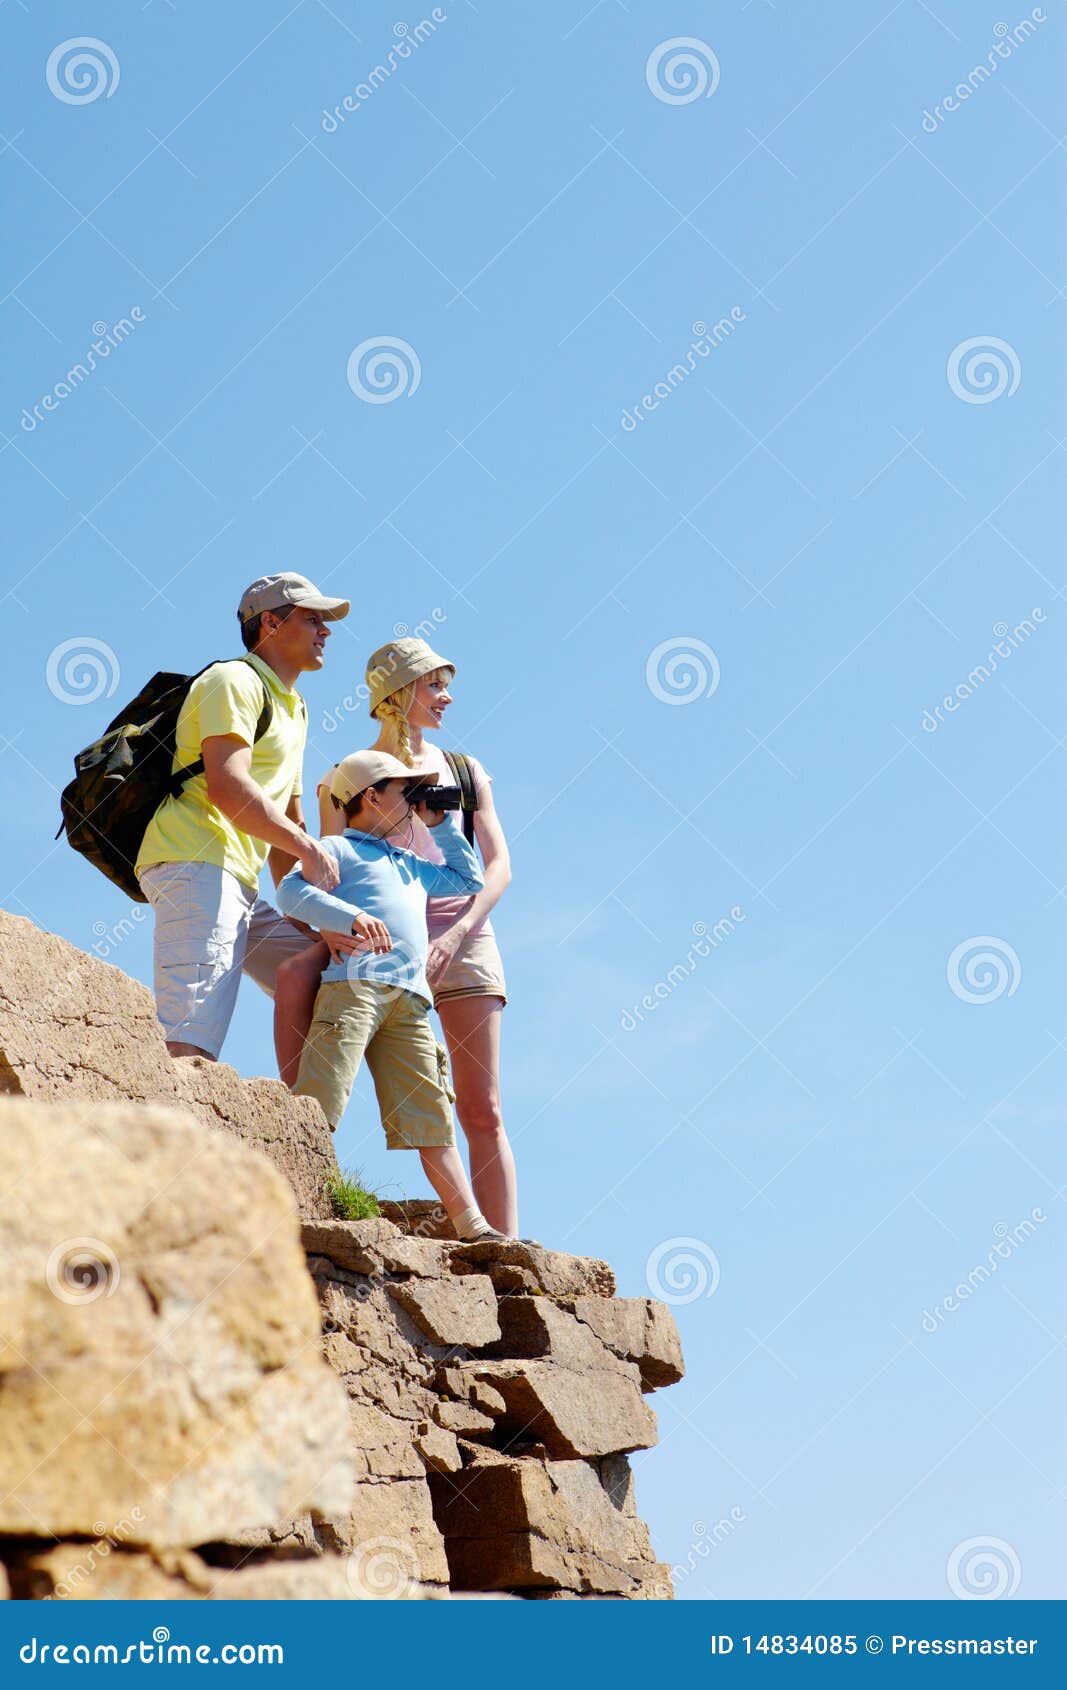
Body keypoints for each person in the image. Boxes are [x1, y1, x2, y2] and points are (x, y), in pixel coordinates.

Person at [273, 637, 520, 1234]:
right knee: (301, 990)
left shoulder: (462, 771)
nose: (446, 696)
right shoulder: (351, 777)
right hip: (378, 951)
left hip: (463, 935)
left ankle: (501, 1245)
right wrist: (334, 929)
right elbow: (327, 871)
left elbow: (498, 868)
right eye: (434, 684)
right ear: (399, 693)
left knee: (481, 1107)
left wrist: (457, 933)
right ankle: (289, 1150)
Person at [135, 572, 348, 1061]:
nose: (326, 630)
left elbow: (286, 827)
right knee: (191, 1036)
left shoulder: (294, 707)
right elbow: (230, 790)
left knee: (320, 977)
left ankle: (298, 1122)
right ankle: (159, 1131)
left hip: (239, 883)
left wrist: (311, 916)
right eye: (312, 618)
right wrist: (311, 849)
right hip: (197, 861)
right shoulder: (233, 680)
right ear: (270, 623)